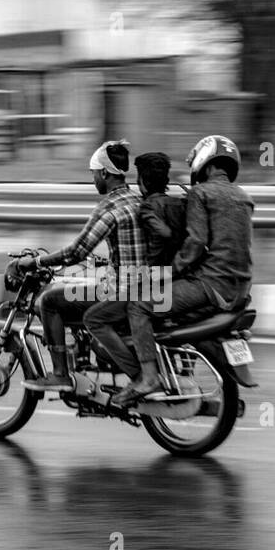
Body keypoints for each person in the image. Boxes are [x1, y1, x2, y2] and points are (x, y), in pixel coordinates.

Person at [111, 135, 254, 409]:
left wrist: (167, 272)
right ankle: (182, 370)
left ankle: (148, 378)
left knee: (139, 305)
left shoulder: (201, 194)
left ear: (204, 162)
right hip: (241, 289)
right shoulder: (244, 197)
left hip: (211, 286)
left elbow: (196, 243)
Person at [16, 140, 147, 392]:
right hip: (144, 285)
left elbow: (76, 251)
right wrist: (107, 261)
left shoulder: (109, 207)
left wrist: (36, 261)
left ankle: (60, 374)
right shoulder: (137, 199)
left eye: (94, 174)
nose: (93, 179)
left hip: (121, 290)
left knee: (51, 300)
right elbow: (130, 248)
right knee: (82, 288)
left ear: (105, 173)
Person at [84, 152, 186, 391]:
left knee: (95, 317)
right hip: (176, 276)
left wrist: (168, 236)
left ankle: (142, 377)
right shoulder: (178, 202)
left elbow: (162, 235)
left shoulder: (147, 206)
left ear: (142, 181)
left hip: (151, 279)